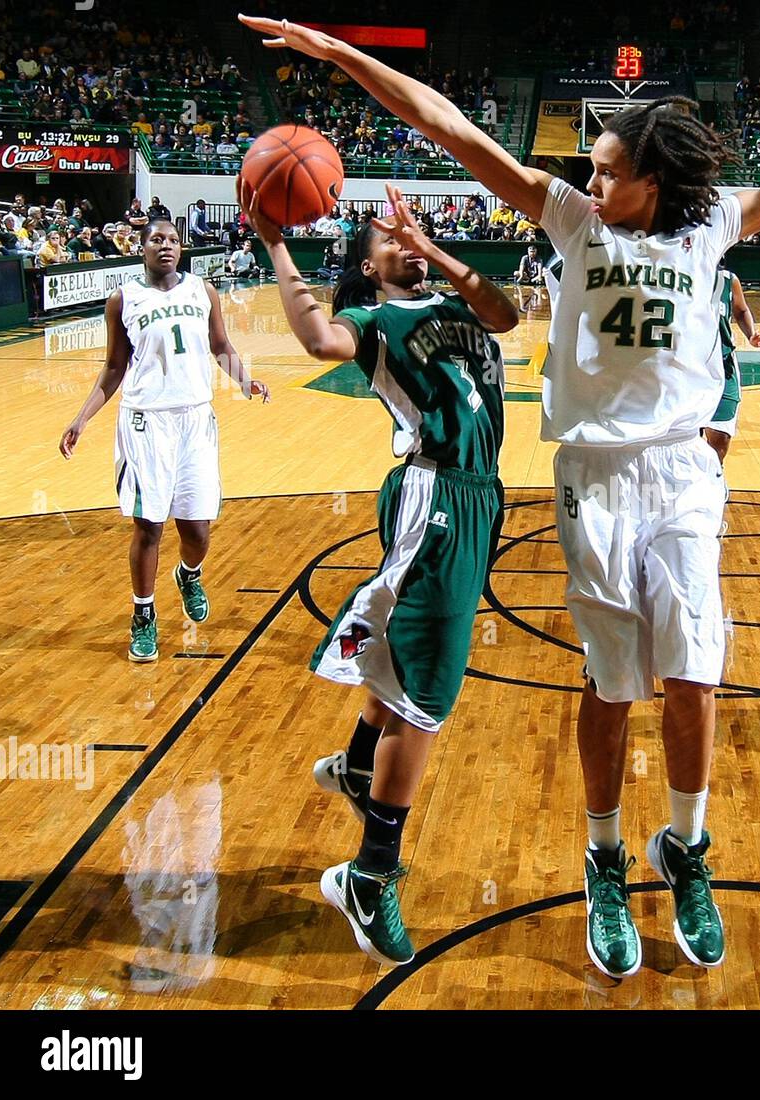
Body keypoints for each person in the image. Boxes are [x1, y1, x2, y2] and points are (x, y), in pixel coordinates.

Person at [242, 12, 760, 978]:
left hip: (687, 471)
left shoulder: (714, 226)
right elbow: (453, 129)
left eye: (608, 169)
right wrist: (344, 56)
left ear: (655, 179)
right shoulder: (570, 220)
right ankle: (605, 856)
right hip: (595, 478)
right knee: (614, 686)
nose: (591, 179)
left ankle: (686, 847)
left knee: (695, 671)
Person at [242, 180, 517, 966]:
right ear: (368, 269)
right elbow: (320, 343)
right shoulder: (374, 320)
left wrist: (440, 253)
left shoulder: (462, 308)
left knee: (409, 658)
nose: (408, 238)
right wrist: (275, 243)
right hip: (434, 488)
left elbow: (508, 314)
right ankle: (368, 874)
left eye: (415, 230)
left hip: (478, 495)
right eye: (390, 238)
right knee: (429, 696)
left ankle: (361, 763)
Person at [58, 219, 269, 662]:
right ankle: (143, 615)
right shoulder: (124, 299)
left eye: (173, 239)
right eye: (157, 239)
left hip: (195, 418)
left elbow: (221, 345)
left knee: (197, 529)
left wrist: (246, 381)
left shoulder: (202, 291)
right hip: (144, 422)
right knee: (148, 524)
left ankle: (189, 573)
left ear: (181, 247)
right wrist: (81, 418)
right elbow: (114, 366)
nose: (166, 246)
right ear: (142, 247)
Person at [704, 262, 760, 465]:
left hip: (723, 364)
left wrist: (751, 334)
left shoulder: (728, 280)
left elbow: (740, 311)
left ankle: (715, 477)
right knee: (686, 437)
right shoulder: (679, 273)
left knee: (720, 436)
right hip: (686, 367)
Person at [512, 243, 544, 311]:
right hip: (526, 276)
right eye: (531, 252)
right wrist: (521, 277)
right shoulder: (524, 258)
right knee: (515, 273)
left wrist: (534, 279)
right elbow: (521, 268)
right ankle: (525, 281)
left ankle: (536, 283)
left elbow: (540, 271)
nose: (532, 253)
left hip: (535, 277)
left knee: (544, 272)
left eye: (533, 252)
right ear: (528, 252)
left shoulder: (539, 259)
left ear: (536, 252)